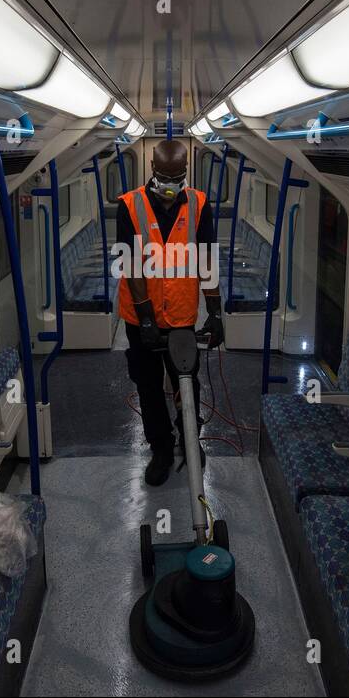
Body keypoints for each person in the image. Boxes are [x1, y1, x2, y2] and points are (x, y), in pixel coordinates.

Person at [117, 138, 224, 485]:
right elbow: (131, 266)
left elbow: (207, 260)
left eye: (178, 176)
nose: (171, 183)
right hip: (140, 317)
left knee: (186, 384)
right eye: (165, 175)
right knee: (148, 387)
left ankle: (191, 441)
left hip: (180, 315)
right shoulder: (130, 206)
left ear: (186, 172)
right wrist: (146, 317)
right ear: (152, 169)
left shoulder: (198, 204)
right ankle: (161, 448)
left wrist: (216, 311)